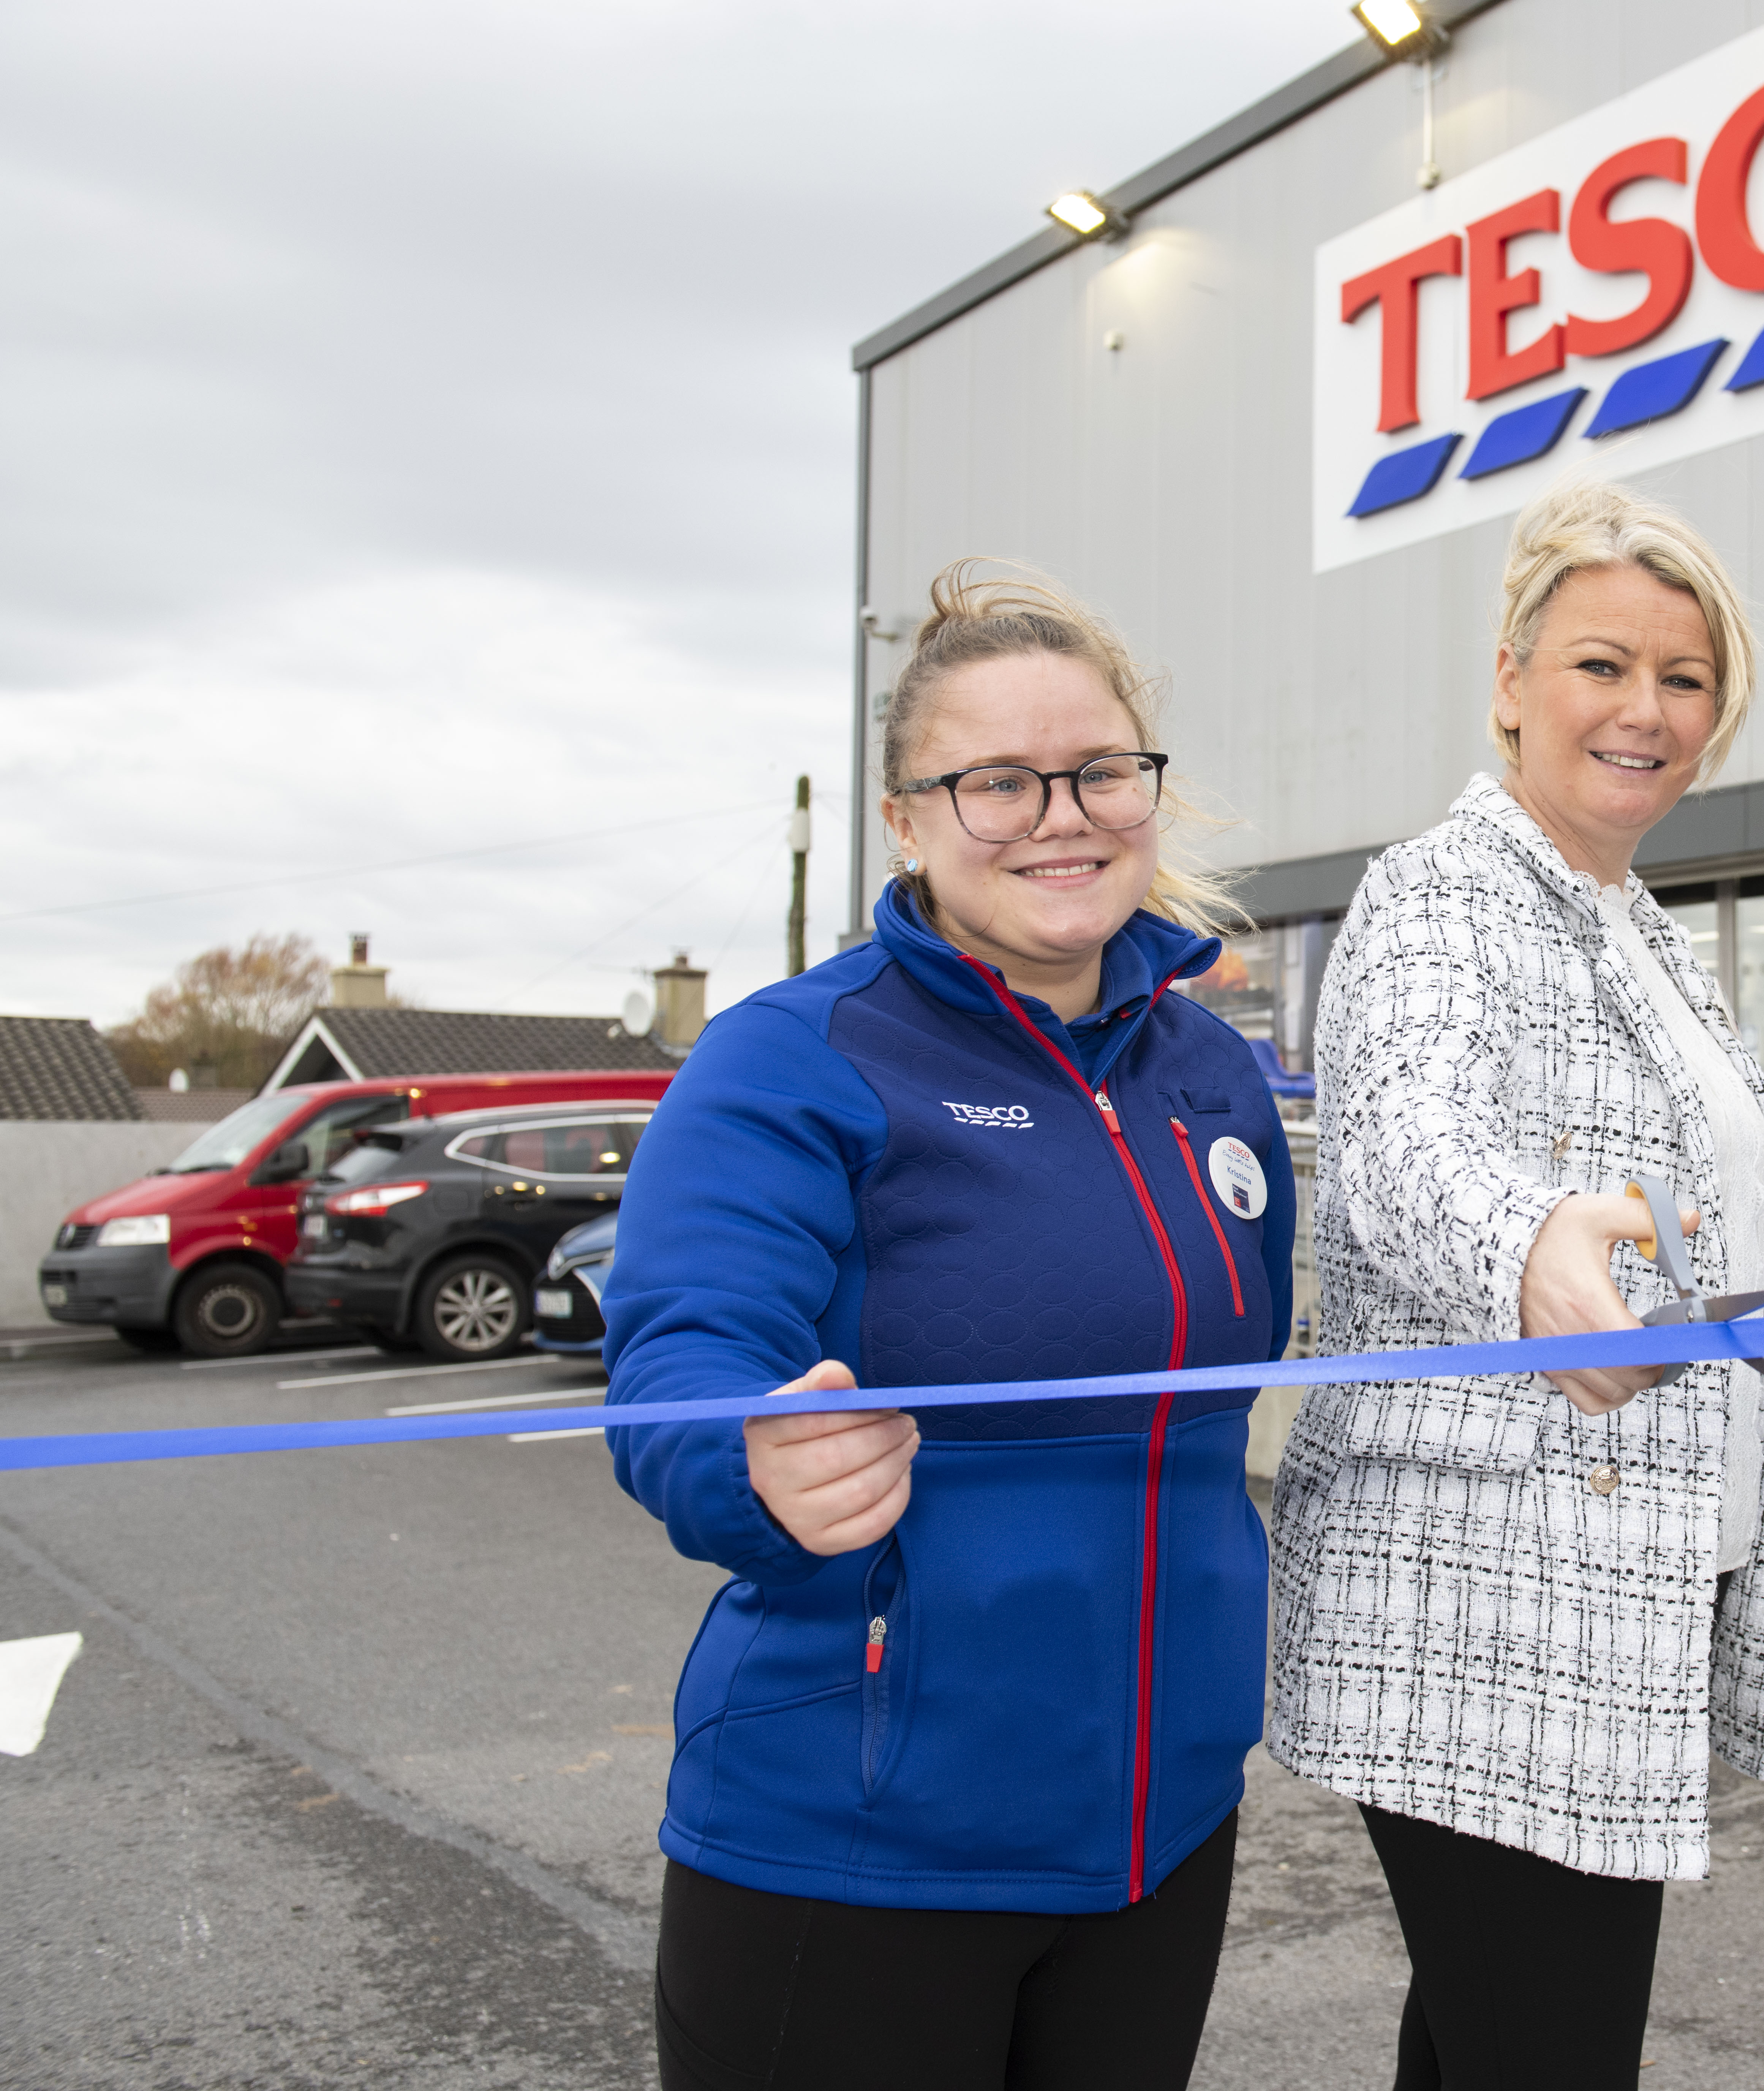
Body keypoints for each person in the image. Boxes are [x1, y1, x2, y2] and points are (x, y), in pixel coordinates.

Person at [601, 562, 1294, 2090]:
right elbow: (678, 1361)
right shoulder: (791, 1057)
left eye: (1102, 769)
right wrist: (749, 1455)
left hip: (1157, 1831)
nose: (1065, 812)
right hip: (858, 1845)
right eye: (998, 781)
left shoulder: (1212, 1076)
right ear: (906, 817)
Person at [1269, 478, 1764, 2089]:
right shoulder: (1440, 892)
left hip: (1626, 1585)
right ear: (1509, 682)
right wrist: (1528, 1246)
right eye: (1602, 665)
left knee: (1486, 2049)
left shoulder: (1638, 924)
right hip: (1489, 1598)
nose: (1647, 710)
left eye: (1687, 677)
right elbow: (1404, 1139)